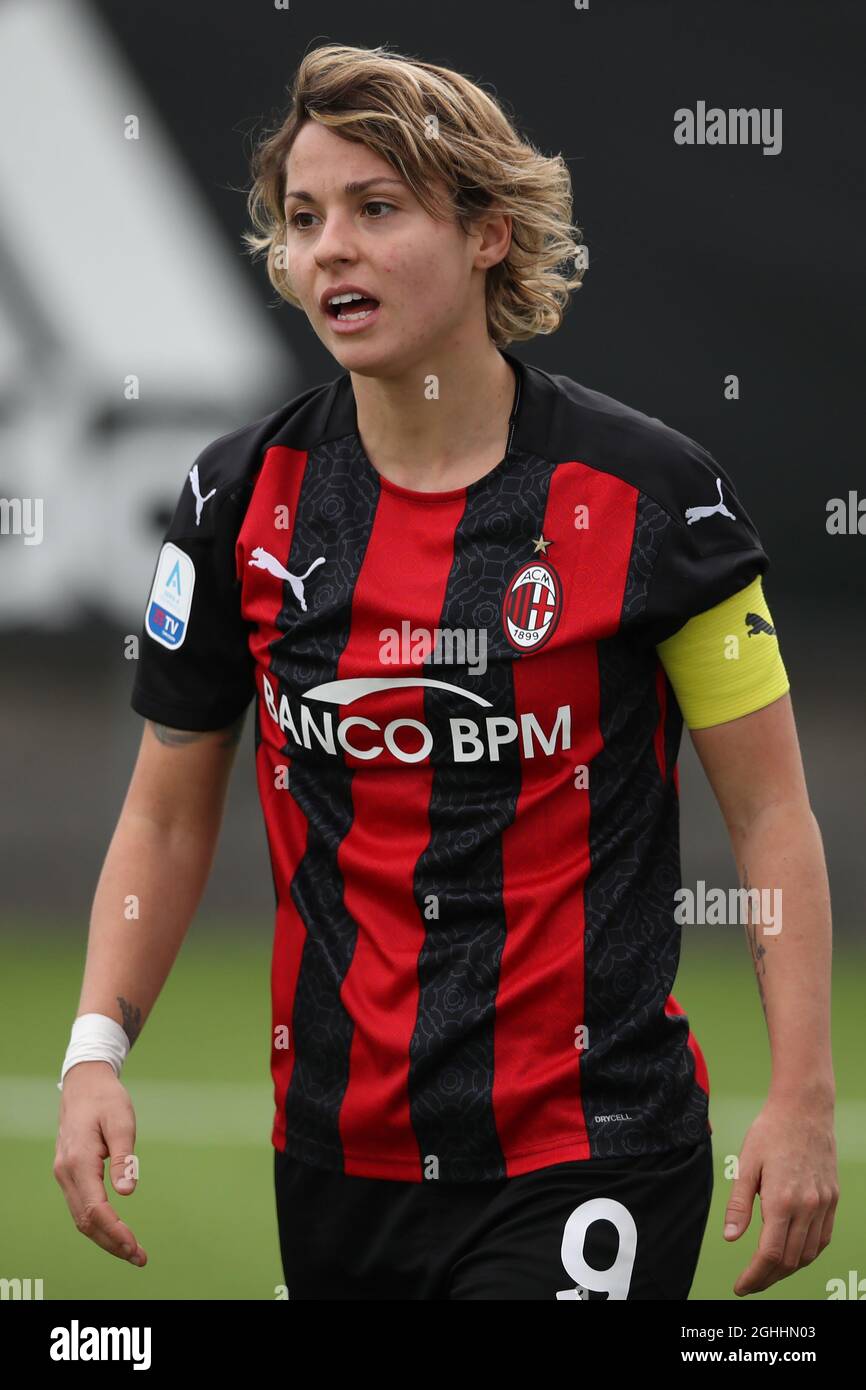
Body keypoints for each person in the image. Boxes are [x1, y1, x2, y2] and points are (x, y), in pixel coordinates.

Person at [54, 42, 837, 1300]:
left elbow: (771, 815)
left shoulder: (652, 501)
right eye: (304, 219)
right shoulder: (236, 499)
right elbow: (163, 809)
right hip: (335, 1161)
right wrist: (94, 1049)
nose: (329, 251)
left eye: (377, 209)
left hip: (593, 1146)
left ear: (485, 234)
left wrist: (801, 1098)